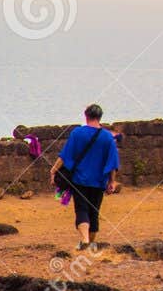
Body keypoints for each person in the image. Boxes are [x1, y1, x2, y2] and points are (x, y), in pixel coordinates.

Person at [50, 104, 119, 252]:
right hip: (99, 181)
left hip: (79, 179)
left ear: (86, 115)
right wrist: (112, 181)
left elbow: (65, 155)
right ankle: (90, 244)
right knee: (94, 212)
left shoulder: (77, 133)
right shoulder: (108, 137)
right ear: (100, 117)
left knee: (81, 210)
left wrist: (53, 170)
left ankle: (85, 240)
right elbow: (112, 162)